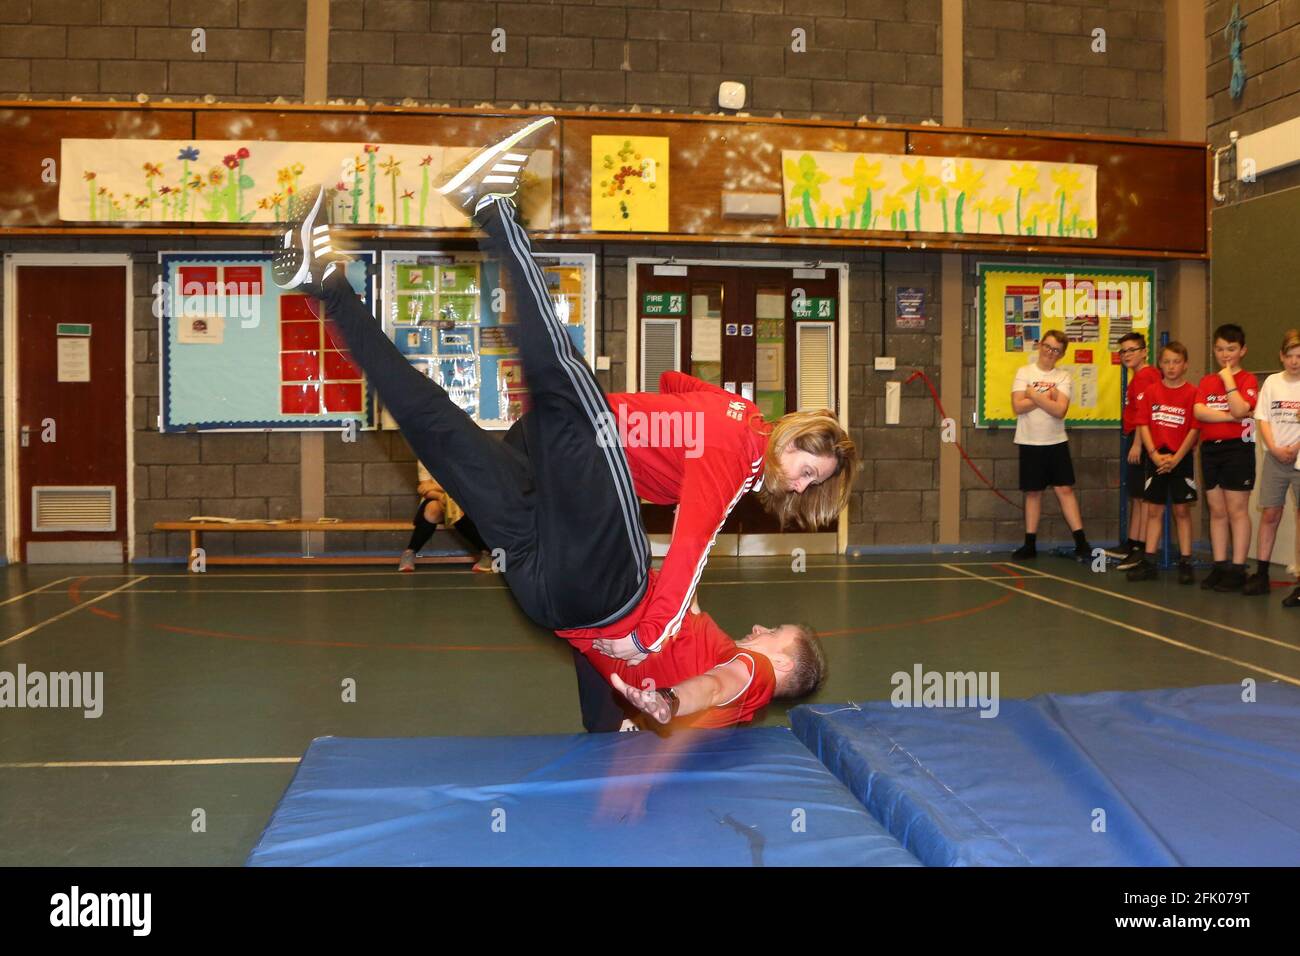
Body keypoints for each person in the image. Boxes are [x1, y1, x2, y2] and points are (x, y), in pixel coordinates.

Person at [270, 116, 827, 727]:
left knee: (558, 382)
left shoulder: (752, 674)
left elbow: (720, 669)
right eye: (806, 469)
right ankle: (325, 284)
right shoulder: (738, 450)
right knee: (437, 426)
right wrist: (622, 715)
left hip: (590, 547)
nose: (800, 487)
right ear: (791, 435)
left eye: (773, 633)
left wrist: (666, 695)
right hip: (556, 595)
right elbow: (685, 550)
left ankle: (491, 207)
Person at [1010, 330, 1092, 560]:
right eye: (1047, 346)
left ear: (1061, 354)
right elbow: (1018, 406)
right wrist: (1049, 397)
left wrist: (1033, 395)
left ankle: (1081, 542)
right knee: (1033, 493)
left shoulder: (1064, 376)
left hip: (1056, 442)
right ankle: (1030, 544)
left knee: (1065, 489)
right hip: (1029, 441)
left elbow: (1060, 411)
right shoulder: (1024, 372)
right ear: (1040, 346)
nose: (1050, 352)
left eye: (1055, 349)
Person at [1126, 342, 1200, 584]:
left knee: (1182, 510)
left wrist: (1177, 458)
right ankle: (1149, 561)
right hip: (1157, 456)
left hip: (1181, 457)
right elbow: (1144, 424)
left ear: (1185, 365)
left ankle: (1186, 561)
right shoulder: (1151, 392)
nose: (1171, 366)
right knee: (1154, 510)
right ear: (1160, 364)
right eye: (1166, 362)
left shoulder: (1192, 393)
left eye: (1176, 362)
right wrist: (1154, 454)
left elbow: (1194, 429)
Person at [1193, 324, 1259, 592]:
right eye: (1220, 349)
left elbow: (1241, 407)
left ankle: (1237, 567)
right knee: (1217, 511)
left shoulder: (1248, 379)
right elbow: (1199, 411)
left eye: (1231, 349)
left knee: (1236, 510)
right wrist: (1233, 417)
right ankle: (1219, 565)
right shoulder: (1207, 381)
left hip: (1238, 449)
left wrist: (1229, 380)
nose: (1225, 354)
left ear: (1242, 350)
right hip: (1210, 449)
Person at [1251, 329, 1300, 607]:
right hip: (1275, 457)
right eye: (1290, 356)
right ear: (1281, 357)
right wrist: (1274, 447)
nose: (1294, 362)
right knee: (1270, 512)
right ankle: (1260, 573)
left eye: (1299, 357)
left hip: (1299, 457)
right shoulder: (1272, 382)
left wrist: (1295, 448)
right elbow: (1263, 418)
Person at [1111, 332, 1161, 571]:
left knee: (1142, 497)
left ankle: (1140, 547)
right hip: (1134, 436)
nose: (1127, 355)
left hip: (1141, 439)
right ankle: (1131, 543)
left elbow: (1146, 414)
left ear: (1144, 351)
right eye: (1123, 351)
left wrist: (1138, 444)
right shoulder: (1138, 376)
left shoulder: (1146, 376)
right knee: (1136, 496)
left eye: (1132, 350)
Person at [397, 464, 494, 573]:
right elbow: (425, 489)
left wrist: (436, 487)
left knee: (454, 507)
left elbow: (465, 486)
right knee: (432, 510)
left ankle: (487, 552)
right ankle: (410, 552)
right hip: (436, 498)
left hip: (462, 500)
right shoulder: (425, 456)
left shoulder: (461, 455)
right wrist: (441, 496)